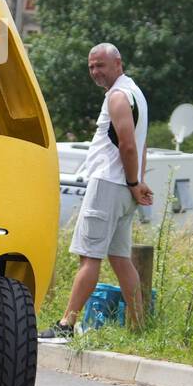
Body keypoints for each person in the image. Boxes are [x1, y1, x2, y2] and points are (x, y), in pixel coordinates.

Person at [41, 43, 153, 341]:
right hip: (124, 189)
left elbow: (128, 144)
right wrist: (137, 182)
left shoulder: (117, 97)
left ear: (118, 63)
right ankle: (140, 327)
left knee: (89, 257)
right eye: (91, 66)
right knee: (120, 258)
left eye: (100, 65)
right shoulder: (136, 95)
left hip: (108, 184)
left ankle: (67, 324)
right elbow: (141, 146)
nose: (95, 72)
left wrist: (132, 183)